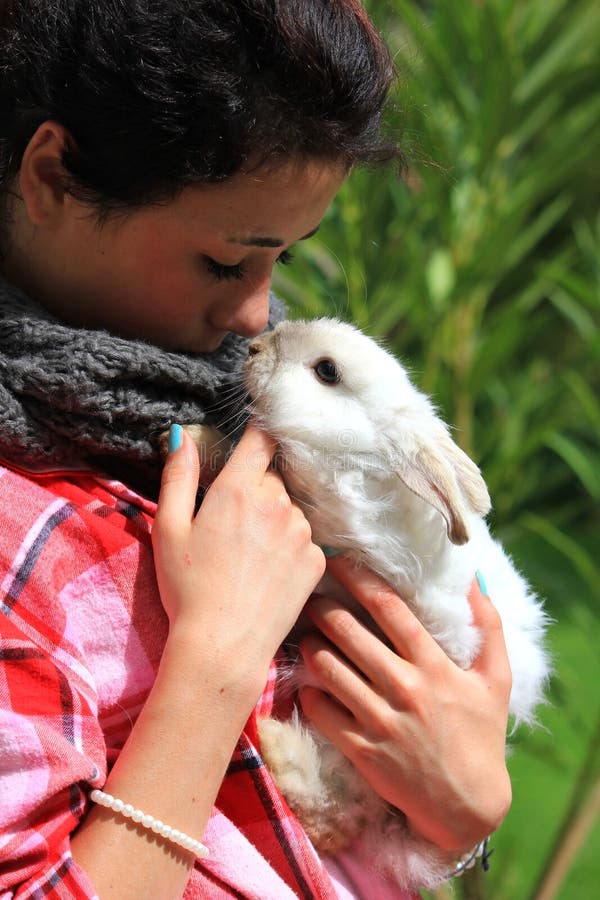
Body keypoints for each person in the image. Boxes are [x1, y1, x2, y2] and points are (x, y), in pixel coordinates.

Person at [0, 2, 513, 897]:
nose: (253, 316)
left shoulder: (229, 414)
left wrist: (454, 819)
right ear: (52, 177)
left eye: (283, 259)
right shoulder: (26, 524)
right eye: (226, 262)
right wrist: (218, 659)